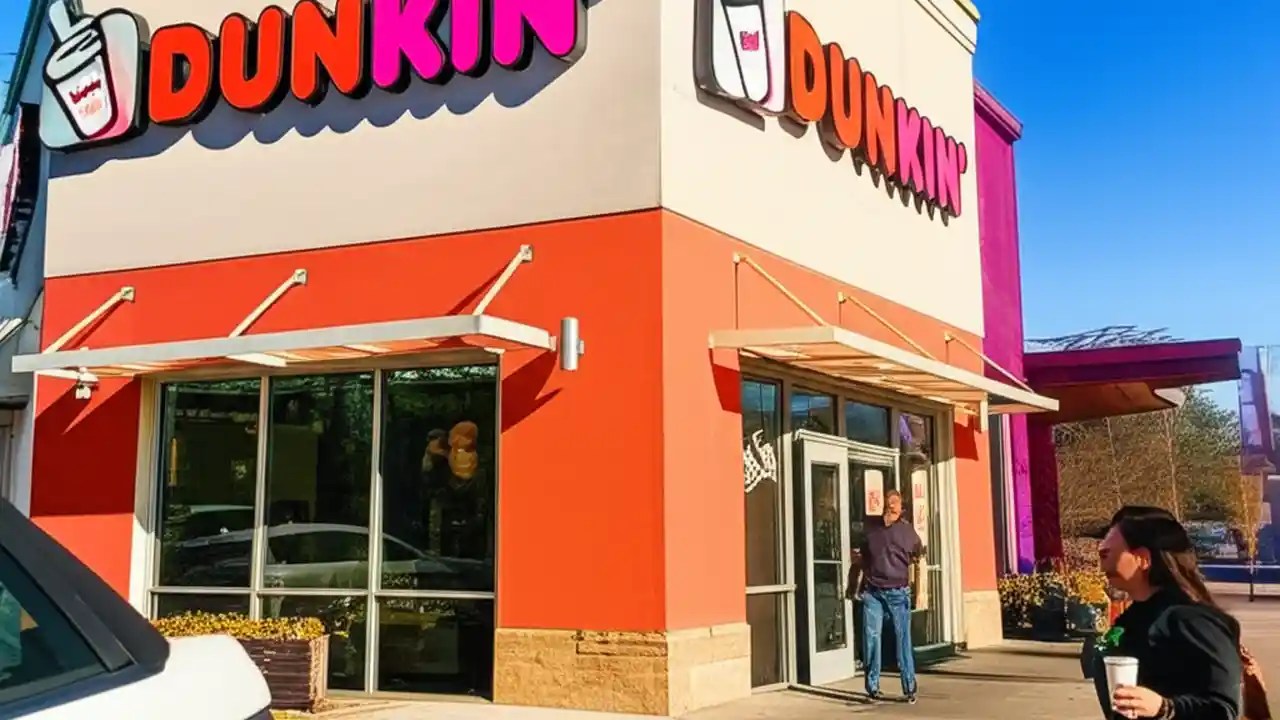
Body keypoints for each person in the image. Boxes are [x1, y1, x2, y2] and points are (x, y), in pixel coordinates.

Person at [1093, 507, 1243, 720]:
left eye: (1106, 553)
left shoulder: (1190, 620)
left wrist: (1165, 708)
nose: (1101, 566)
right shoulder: (1134, 617)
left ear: (1143, 559)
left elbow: (1223, 710)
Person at [849, 489, 923, 704]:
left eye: (895, 503)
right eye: (891, 503)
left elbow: (918, 557)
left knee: (895, 639)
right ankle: (881, 687)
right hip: (876, 592)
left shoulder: (904, 531)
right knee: (880, 638)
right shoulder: (876, 530)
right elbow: (860, 559)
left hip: (893, 591)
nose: (893, 507)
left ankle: (904, 686)